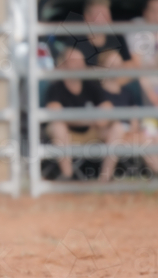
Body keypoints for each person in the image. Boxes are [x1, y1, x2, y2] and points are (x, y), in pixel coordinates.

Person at [44, 45, 118, 180]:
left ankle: (105, 179)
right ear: (63, 65)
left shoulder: (91, 85)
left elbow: (107, 111)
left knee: (117, 128)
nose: (78, 64)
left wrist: (79, 119)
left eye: (80, 60)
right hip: (69, 135)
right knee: (57, 126)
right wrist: (91, 118)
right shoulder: (56, 88)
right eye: (73, 61)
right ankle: (68, 177)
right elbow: (55, 114)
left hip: (92, 132)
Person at [96, 51, 158, 181]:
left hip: (130, 134)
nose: (117, 68)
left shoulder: (126, 92)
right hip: (111, 134)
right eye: (113, 65)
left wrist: (134, 131)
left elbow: (134, 120)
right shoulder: (99, 93)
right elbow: (101, 123)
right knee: (137, 137)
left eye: (119, 65)